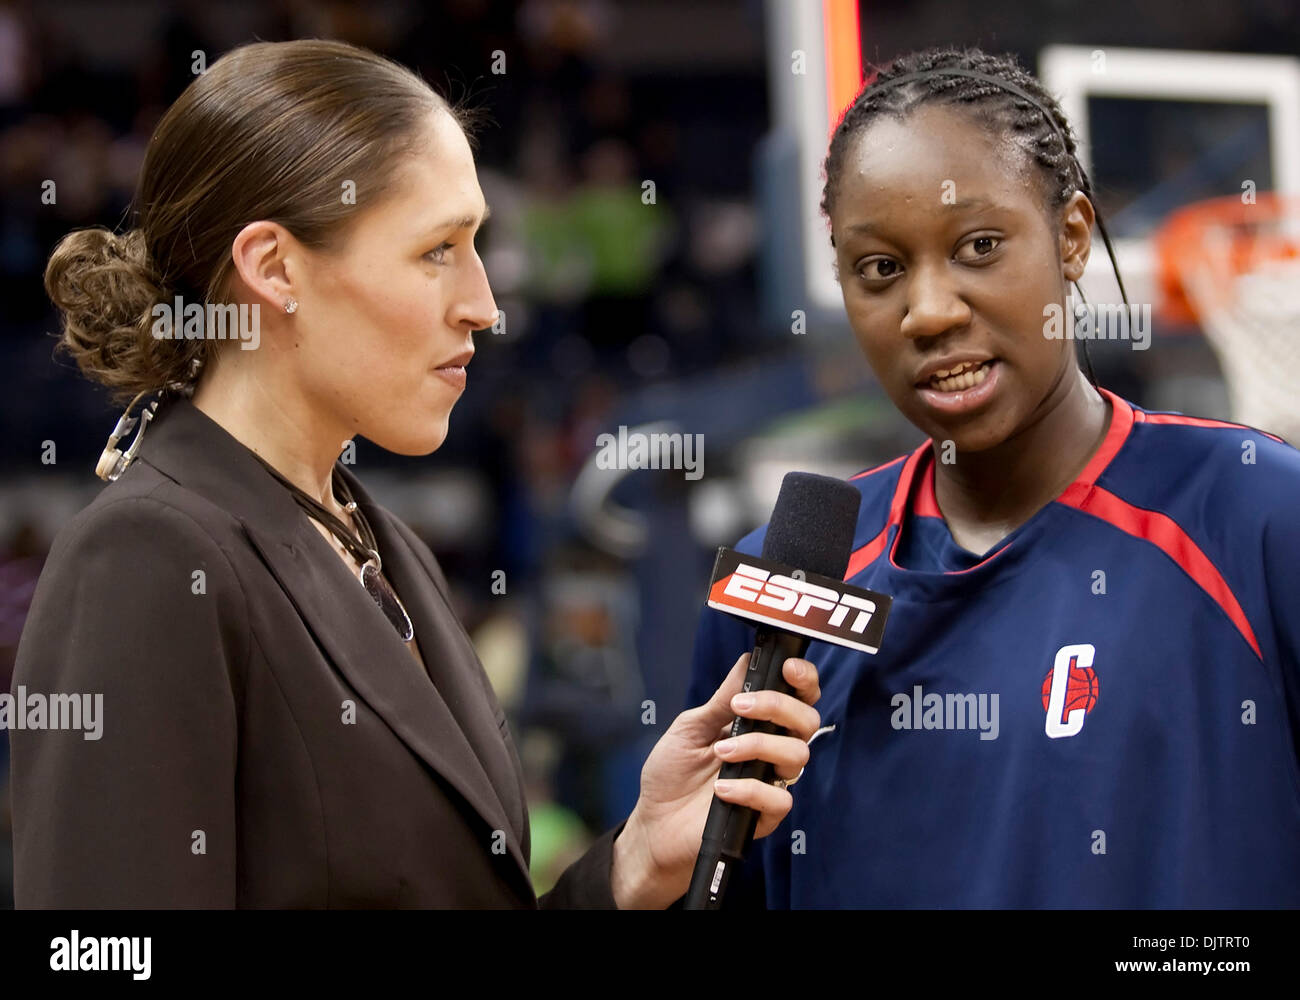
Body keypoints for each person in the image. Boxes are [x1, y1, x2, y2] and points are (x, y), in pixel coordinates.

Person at [9, 38, 822, 909]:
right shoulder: (147, 554)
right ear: (274, 269)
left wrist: (630, 864)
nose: (483, 302)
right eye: (438, 250)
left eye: (477, 245)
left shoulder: (383, 544)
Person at [685, 47, 1300, 908]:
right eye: (880, 270)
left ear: (1072, 237)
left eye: (978, 246)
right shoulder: (782, 585)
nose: (930, 311)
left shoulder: (1256, 514)